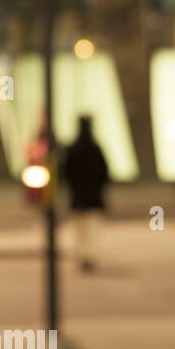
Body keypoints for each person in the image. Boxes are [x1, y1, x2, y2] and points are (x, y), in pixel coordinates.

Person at [61, 115, 110, 271]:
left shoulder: (73, 149)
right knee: (91, 227)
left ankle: (83, 254)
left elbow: (65, 173)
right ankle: (89, 254)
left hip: (78, 196)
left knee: (80, 228)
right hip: (93, 196)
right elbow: (104, 173)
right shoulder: (95, 149)